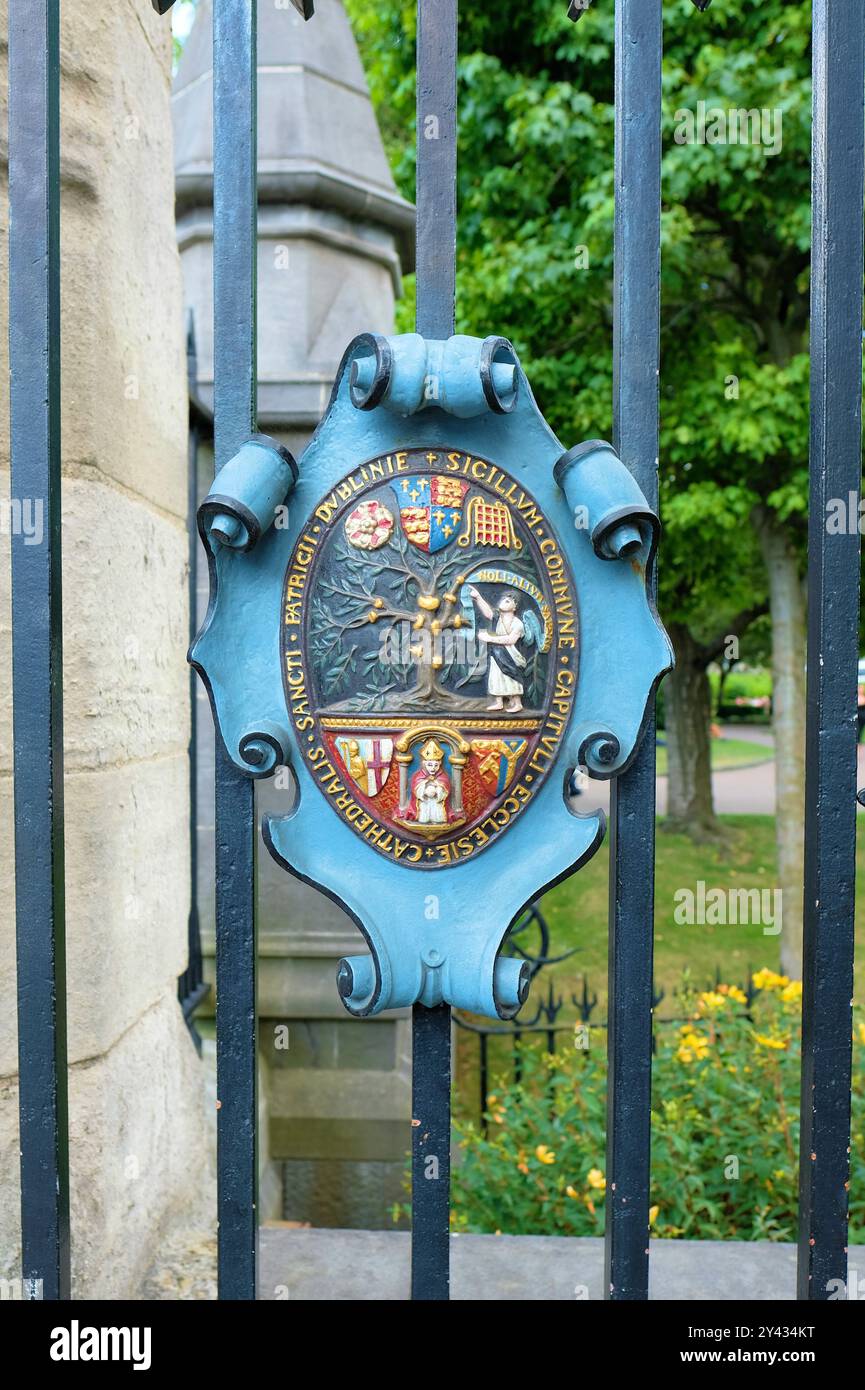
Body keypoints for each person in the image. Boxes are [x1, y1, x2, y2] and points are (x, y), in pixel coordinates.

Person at [468, 586, 527, 712]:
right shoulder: (498, 618)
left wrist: (489, 638)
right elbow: (488, 612)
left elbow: (510, 640)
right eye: (503, 600)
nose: (502, 602)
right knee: (496, 677)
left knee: (511, 676)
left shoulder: (517, 624)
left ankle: (517, 703)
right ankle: (499, 702)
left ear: (515, 607)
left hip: (511, 656)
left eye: (507, 601)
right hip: (497, 654)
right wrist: (478, 597)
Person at [400, 738, 452, 824]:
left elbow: (446, 788)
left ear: (440, 764)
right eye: (430, 765)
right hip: (424, 802)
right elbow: (415, 788)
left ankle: (438, 820)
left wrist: (438, 789)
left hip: (437, 802)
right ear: (424, 763)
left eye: (436, 765)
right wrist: (423, 790)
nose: (433, 768)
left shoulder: (443, 776)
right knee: (423, 818)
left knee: (438, 817)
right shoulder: (418, 776)